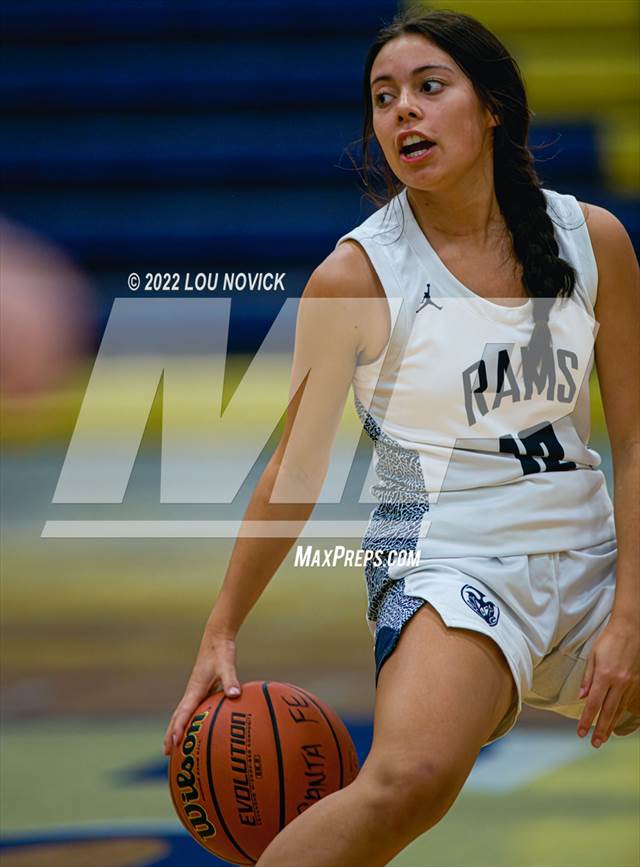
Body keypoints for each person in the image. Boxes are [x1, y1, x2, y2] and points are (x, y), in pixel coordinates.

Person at [164, 9, 639, 865]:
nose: (403, 113)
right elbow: (294, 468)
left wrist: (630, 611)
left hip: (592, 548)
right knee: (410, 778)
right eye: (385, 98)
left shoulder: (593, 239)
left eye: (428, 88)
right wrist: (220, 629)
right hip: (447, 561)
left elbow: (636, 441)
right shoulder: (355, 275)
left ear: (491, 106)